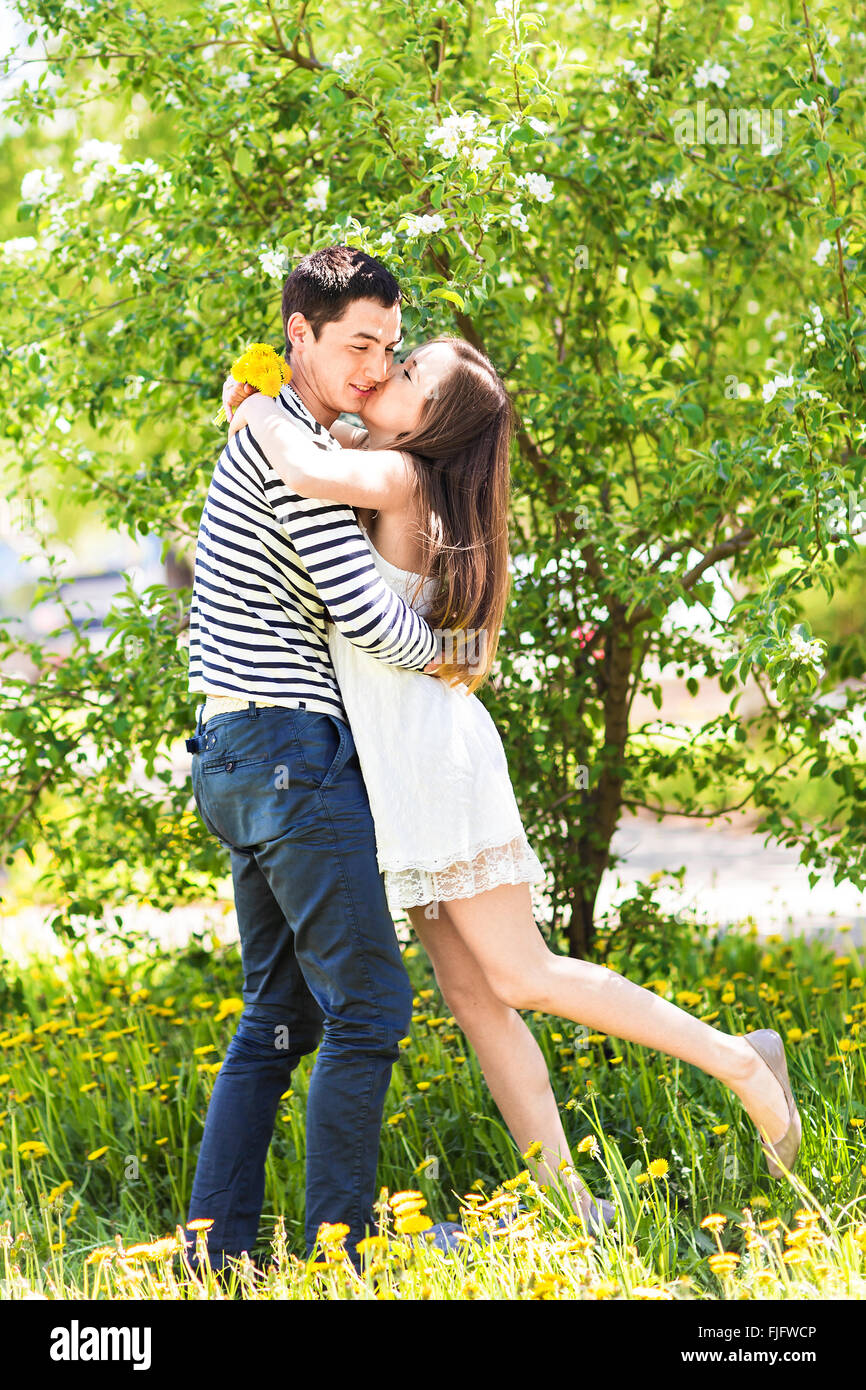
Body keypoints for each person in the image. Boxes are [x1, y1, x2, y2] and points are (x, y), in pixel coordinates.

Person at [224, 325, 803, 1216]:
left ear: (436, 423)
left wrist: (254, 398)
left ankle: (740, 1059)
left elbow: (301, 468)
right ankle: (574, 1204)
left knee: (522, 974)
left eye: (410, 371)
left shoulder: (401, 476)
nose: (388, 369)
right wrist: (277, 417)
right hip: (402, 780)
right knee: (476, 998)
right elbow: (315, 456)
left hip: (436, 767)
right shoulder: (387, 468)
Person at [183, 246, 459, 1276]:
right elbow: (369, 616)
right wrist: (462, 650)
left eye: (387, 347)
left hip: (236, 749)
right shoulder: (284, 447)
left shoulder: (289, 428)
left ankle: (216, 1257)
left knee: (279, 1013)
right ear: (298, 334)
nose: (376, 369)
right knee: (371, 1008)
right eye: (356, 344)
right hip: (291, 750)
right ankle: (337, 1252)